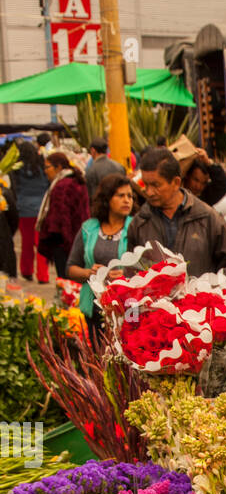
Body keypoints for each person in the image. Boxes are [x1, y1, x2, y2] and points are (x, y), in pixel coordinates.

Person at [127, 148, 226, 276]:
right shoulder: (139, 223)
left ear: (176, 183)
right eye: (145, 185)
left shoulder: (207, 218)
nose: (149, 192)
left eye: (156, 185)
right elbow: (133, 274)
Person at [66, 174, 134, 343]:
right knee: (98, 357)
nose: (127, 200)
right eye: (120, 195)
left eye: (130, 196)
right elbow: (71, 268)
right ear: (107, 199)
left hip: (128, 308)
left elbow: (149, 267)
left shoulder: (136, 227)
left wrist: (126, 275)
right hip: (94, 307)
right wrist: (90, 273)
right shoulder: (89, 228)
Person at [36, 151, 90, 280]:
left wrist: (65, 243)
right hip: (78, 240)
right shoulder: (75, 181)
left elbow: (61, 220)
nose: (45, 171)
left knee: (66, 283)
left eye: (47, 167)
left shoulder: (63, 186)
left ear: (59, 167)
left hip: (65, 244)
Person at [11, 141, 49, 282]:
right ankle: (43, 275)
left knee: (26, 243)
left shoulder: (16, 170)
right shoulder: (41, 166)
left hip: (24, 210)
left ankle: (27, 271)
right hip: (41, 210)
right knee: (40, 244)